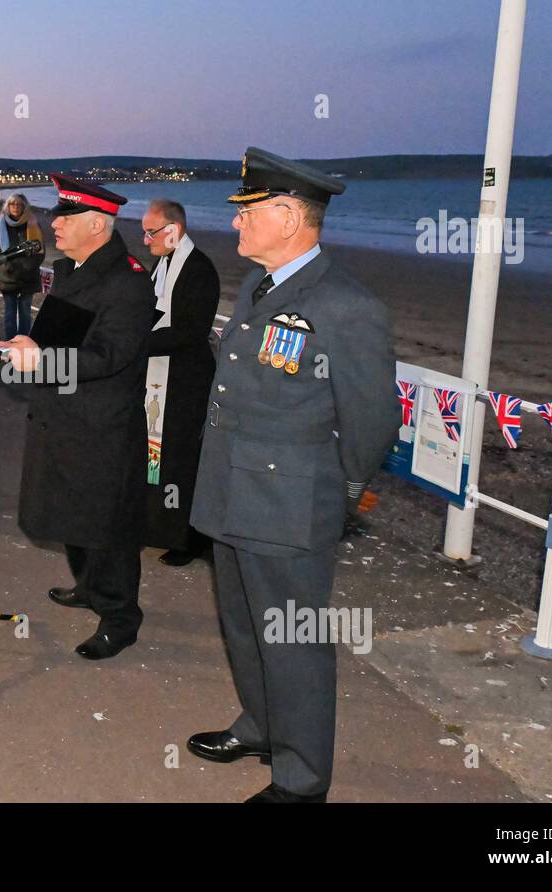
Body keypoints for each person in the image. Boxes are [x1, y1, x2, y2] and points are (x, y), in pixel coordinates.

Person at [186, 148, 400, 803]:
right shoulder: (260, 285)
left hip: (288, 505)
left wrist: (338, 497)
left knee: (294, 643)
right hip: (230, 490)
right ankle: (262, 725)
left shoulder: (345, 306)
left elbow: (372, 421)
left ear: (286, 216)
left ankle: (302, 778)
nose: (238, 225)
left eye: (249, 213)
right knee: (245, 627)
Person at [2, 175, 154, 660]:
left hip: (101, 424)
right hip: (62, 412)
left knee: (106, 526)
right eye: (56, 214)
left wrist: (41, 361)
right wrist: (30, 346)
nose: (54, 223)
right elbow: (58, 335)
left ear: (97, 225)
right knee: (70, 512)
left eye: (65, 217)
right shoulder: (71, 270)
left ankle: (120, 616)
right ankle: (87, 586)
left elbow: (109, 356)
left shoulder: (128, 282)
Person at [139, 198, 220, 566]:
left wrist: (138, 343)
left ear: (175, 230)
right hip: (160, 376)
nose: (145, 240)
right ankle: (158, 525)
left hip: (185, 380)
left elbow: (191, 332)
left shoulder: (199, 269)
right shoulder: (163, 265)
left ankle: (190, 538)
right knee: (157, 455)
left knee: (181, 459)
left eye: (150, 232)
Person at [0, 193, 44, 339]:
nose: (15, 207)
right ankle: (10, 344)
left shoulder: (33, 223)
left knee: (25, 313)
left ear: (24, 206)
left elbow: (39, 251)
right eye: (12, 204)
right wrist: (9, 267)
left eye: (19, 204)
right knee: (9, 312)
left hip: (28, 277)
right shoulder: (1, 224)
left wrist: (25, 267)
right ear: (7, 206)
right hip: (7, 276)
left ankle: (23, 344)